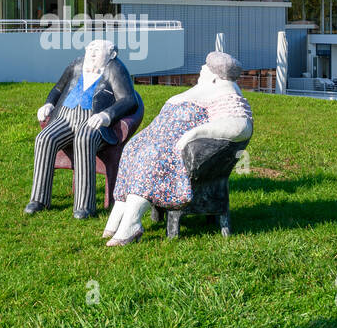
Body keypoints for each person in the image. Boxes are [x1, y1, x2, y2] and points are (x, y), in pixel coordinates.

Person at [103, 51, 253, 246]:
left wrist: (194, 134)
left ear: (217, 77)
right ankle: (117, 219)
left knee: (150, 157)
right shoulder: (206, 86)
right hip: (155, 143)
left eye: (207, 67)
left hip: (176, 152)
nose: (202, 68)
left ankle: (131, 225)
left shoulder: (226, 91)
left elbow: (240, 126)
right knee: (133, 150)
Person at [27, 39, 139, 220]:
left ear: (111, 54)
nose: (92, 53)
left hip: (92, 119)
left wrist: (106, 115)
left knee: (84, 140)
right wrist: (49, 104)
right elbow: (57, 88)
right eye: (90, 49)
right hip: (65, 116)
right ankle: (39, 199)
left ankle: (84, 205)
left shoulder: (115, 69)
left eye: (98, 50)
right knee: (44, 138)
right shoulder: (77, 64)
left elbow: (129, 100)